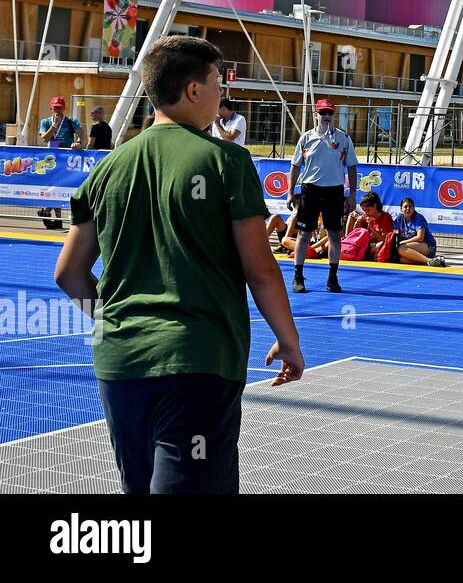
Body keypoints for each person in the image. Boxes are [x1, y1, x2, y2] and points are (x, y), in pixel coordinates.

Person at [52, 35, 303, 493]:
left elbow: (68, 274)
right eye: (217, 86)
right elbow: (260, 269)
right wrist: (288, 341)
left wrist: (114, 320)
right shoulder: (225, 160)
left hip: (120, 362)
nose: (221, 97)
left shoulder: (108, 169)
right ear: (193, 90)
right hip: (197, 359)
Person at [288, 98, 358, 293]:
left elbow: (352, 167)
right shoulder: (306, 138)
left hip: (333, 190)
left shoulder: (343, 139)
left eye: (330, 113)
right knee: (303, 234)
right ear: (316, 115)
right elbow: (295, 166)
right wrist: (289, 192)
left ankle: (333, 277)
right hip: (310, 189)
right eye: (323, 113)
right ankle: (298, 275)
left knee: (335, 234)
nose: (326, 116)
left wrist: (352, 195)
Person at [37, 95, 85, 229]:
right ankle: (53, 215)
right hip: (51, 160)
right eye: (55, 108)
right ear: (51, 108)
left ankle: (48, 213)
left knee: (61, 186)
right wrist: (54, 126)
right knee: (53, 186)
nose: (57, 110)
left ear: (64, 108)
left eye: (60, 108)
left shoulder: (70, 121)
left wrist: (79, 143)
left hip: (66, 160)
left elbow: (81, 133)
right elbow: (45, 139)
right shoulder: (45, 122)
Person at [392, 197, 444, 266]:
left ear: (413, 208)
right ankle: (436, 262)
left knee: (401, 249)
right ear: (401, 209)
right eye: (405, 207)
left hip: (428, 246)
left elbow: (420, 238)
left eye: (410, 207)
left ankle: (429, 260)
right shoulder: (400, 218)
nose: (408, 209)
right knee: (398, 258)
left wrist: (403, 242)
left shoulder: (418, 218)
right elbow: (398, 234)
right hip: (412, 247)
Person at [345, 192, 395, 260]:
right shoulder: (365, 216)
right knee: (351, 216)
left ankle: (365, 254)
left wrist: (371, 227)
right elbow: (354, 238)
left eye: (368, 210)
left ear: (375, 206)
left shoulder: (386, 217)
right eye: (364, 211)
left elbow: (384, 240)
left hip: (377, 245)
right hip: (365, 245)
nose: (366, 213)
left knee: (380, 245)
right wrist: (356, 224)